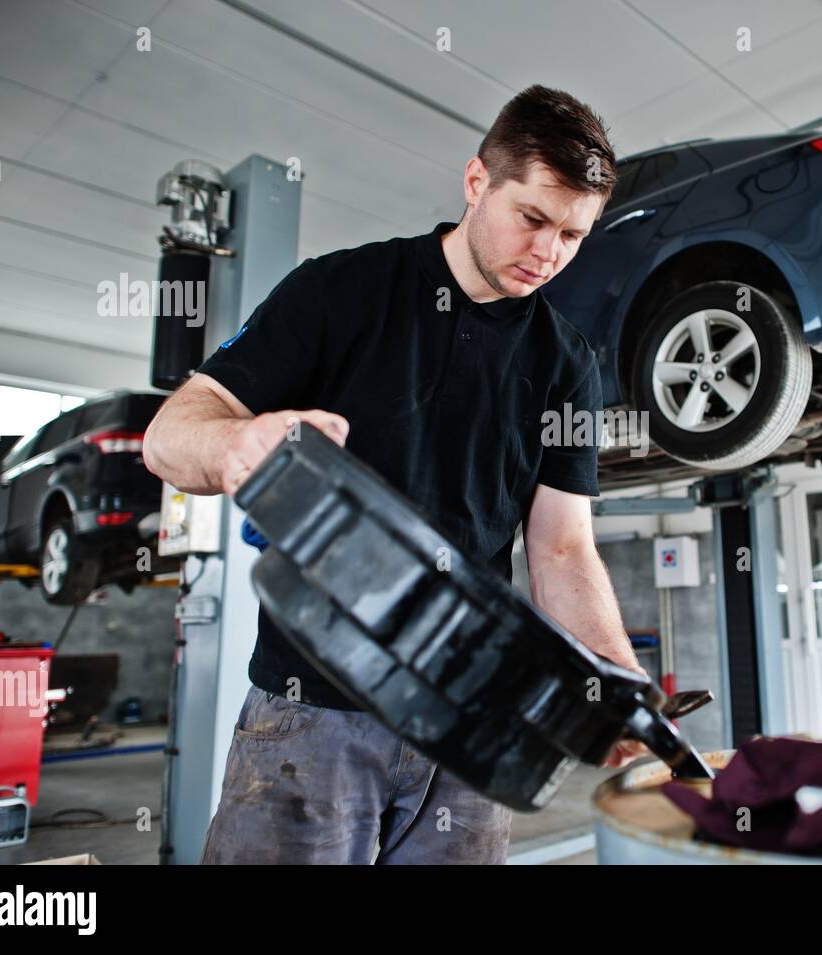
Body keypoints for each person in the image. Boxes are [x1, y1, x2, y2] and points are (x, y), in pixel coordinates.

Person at [142, 84, 648, 864]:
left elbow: (561, 549)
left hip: (472, 733)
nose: (549, 252)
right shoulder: (338, 291)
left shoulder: (567, 364)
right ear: (477, 181)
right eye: (534, 219)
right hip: (311, 720)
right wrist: (235, 443)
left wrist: (619, 686)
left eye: (574, 235)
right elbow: (171, 432)